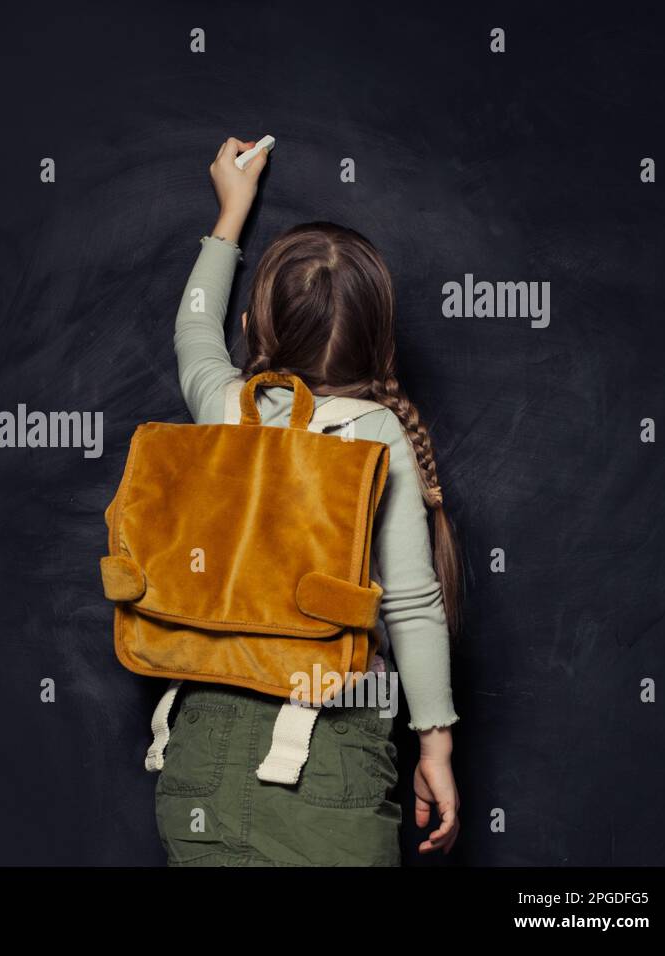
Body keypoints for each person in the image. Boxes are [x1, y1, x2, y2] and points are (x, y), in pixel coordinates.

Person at [153, 136, 461, 866]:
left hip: (196, 755)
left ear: (256, 328)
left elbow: (194, 328)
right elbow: (411, 604)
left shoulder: (226, 409)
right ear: (378, 344)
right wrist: (436, 746)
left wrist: (231, 211)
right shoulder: (376, 433)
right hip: (329, 753)